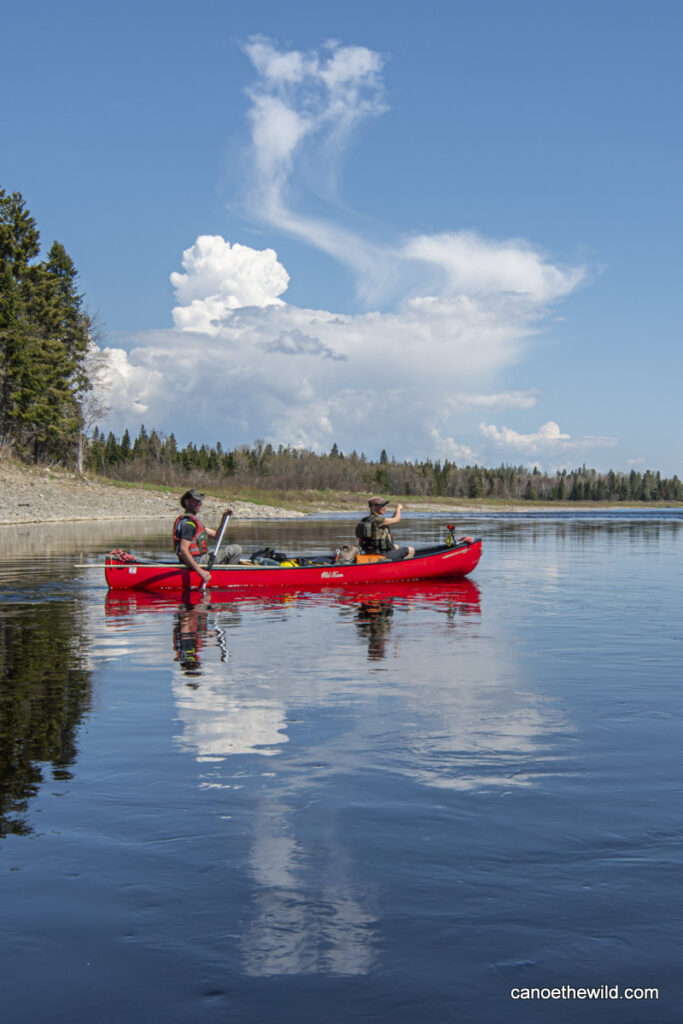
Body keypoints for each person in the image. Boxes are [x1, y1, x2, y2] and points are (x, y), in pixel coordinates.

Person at [173, 489, 242, 585]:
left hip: (200, 557)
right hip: (197, 561)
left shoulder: (192, 522)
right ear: (186, 502)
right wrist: (200, 571)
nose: (198, 503)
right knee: (236, 549)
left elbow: (216, 536)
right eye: (195, 500)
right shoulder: (189, 524)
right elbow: (183, 550)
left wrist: (224, 517)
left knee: (216, 551)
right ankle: (229, 579)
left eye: (199, 501)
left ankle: (222, 572)